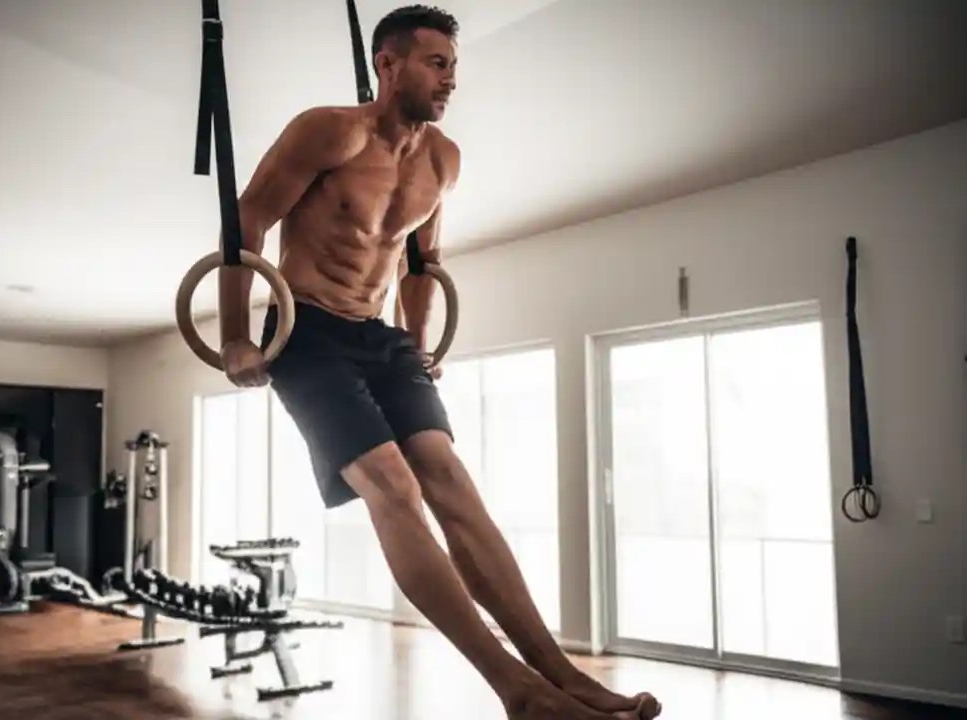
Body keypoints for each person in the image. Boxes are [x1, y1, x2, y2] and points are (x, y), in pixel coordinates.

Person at [216, 6, 661, 719]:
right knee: (394, 487)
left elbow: (423, 260)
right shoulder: (330, 130)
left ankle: (558, 673)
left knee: (451, 481)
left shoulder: (442, 160)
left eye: (454, 64)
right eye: (436, 62)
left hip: (380, 338)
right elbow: (247, 220)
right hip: (306, 331)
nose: (450, 78)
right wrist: (238, 334)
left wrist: (417, 343)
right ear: (388, 65)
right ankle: (515, 690)